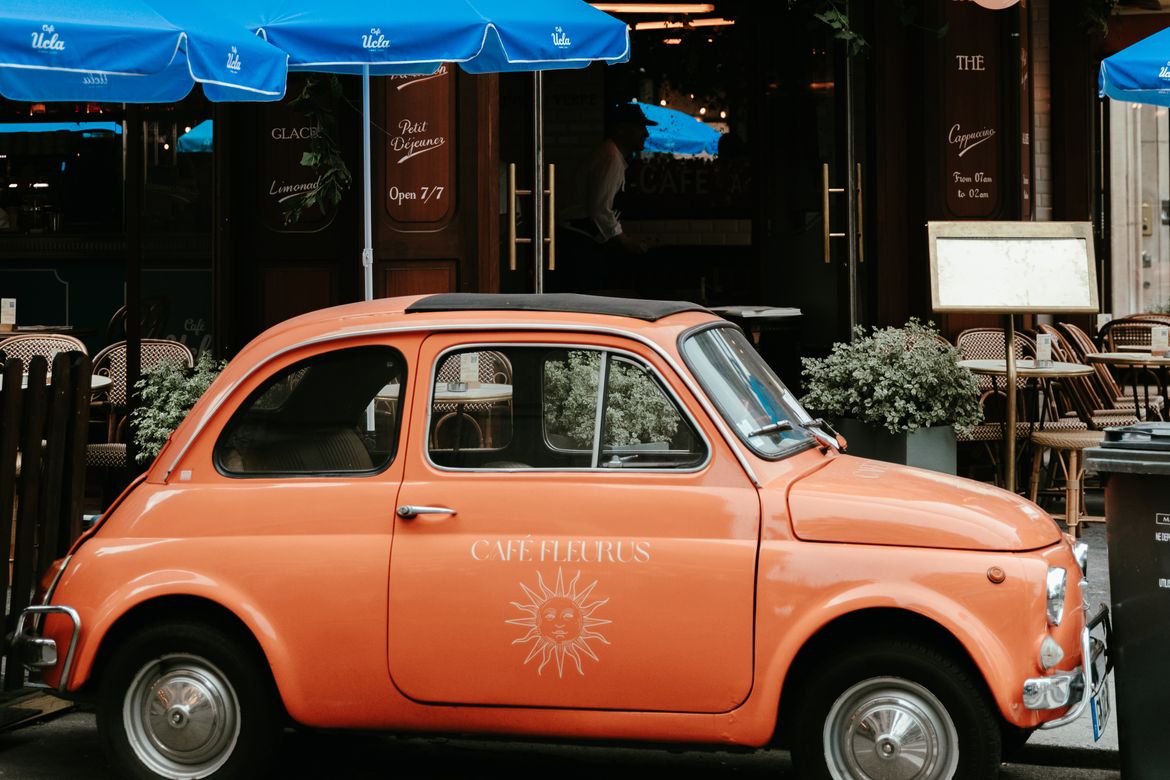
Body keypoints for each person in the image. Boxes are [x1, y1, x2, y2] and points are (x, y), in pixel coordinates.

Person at [555, 103, 657, 291]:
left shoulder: (612, 155)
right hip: (578, 242)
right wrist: (624, 240)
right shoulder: (610, 157)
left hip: (581, 240)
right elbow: (599, 209)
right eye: (639, 128)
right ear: (620, 130)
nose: (646, 134)